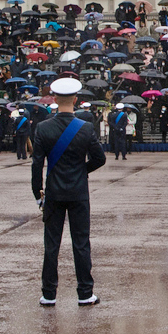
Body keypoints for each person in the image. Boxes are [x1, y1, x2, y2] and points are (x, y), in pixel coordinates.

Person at [31, 78, 107, 306]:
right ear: (75, 100)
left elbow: (37, 165)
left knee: (51, 244)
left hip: (53, 192)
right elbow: (99, 158)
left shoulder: (43, 128)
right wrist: (81, 171)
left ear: (54, 99)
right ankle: (85, 293)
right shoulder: (84, 128)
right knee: (81, 243)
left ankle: (49, 293)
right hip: (78, 192)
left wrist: (38, 192)